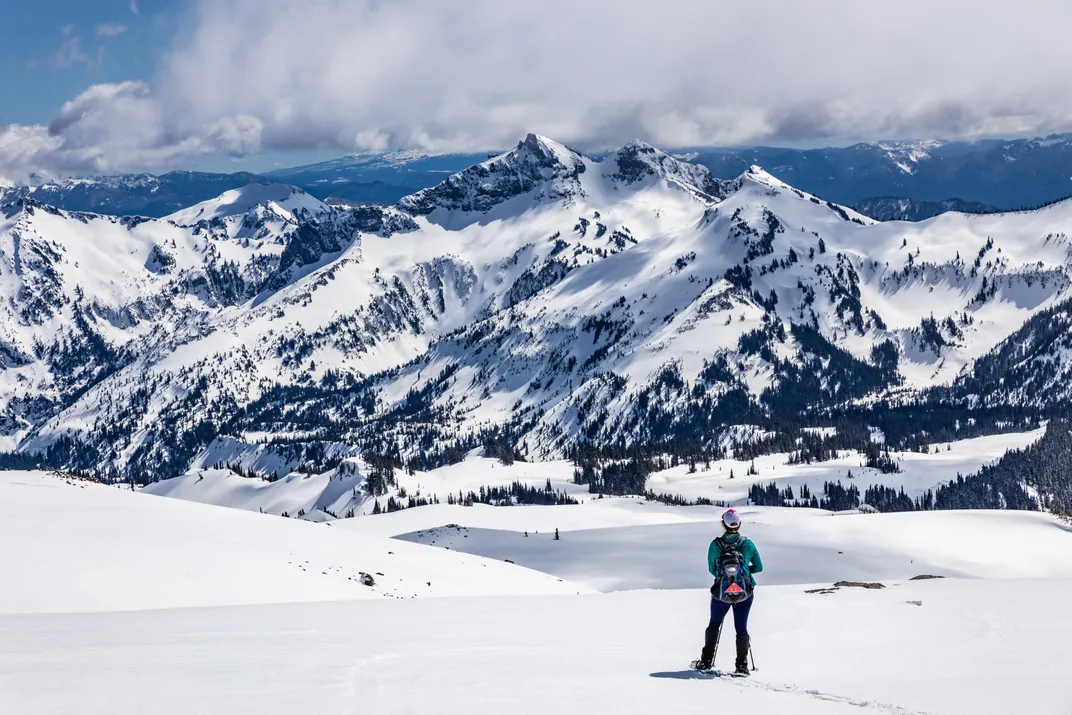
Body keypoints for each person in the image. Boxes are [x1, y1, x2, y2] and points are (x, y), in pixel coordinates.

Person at [692, 508, 763, 675]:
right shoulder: (748, 544)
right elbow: (759, 567)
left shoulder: (715, 545)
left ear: (723, 524)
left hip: (721, 592)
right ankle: (741, 665)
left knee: (714, 624)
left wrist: (725, 576)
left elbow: (712, 569)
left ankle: (706, 661)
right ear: (739, 524)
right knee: (741, 627)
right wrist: (744, 572)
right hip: (744, 591)